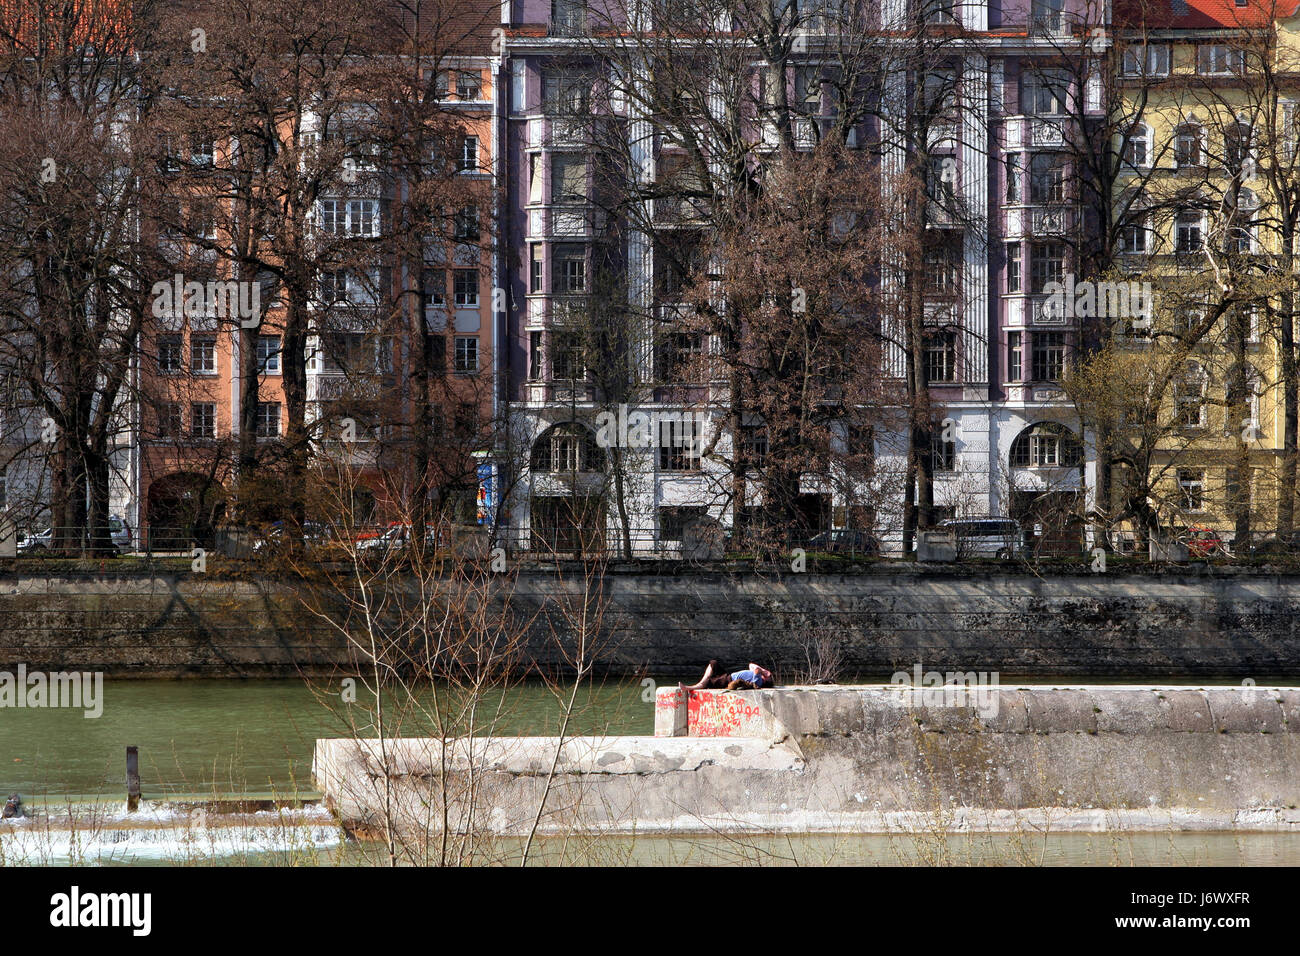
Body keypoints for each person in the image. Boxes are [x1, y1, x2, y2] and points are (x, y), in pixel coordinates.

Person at [681, 660, 774, 692]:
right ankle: (697, 684)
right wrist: (764, 671)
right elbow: (751, 665)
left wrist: (762, 671)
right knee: (714, 663)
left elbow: (756, 670)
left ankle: (691, 687)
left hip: (728, 681)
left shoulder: (759, 681)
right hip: (728, 676)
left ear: (766, 679)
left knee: (708, 682)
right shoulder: (756, 677)